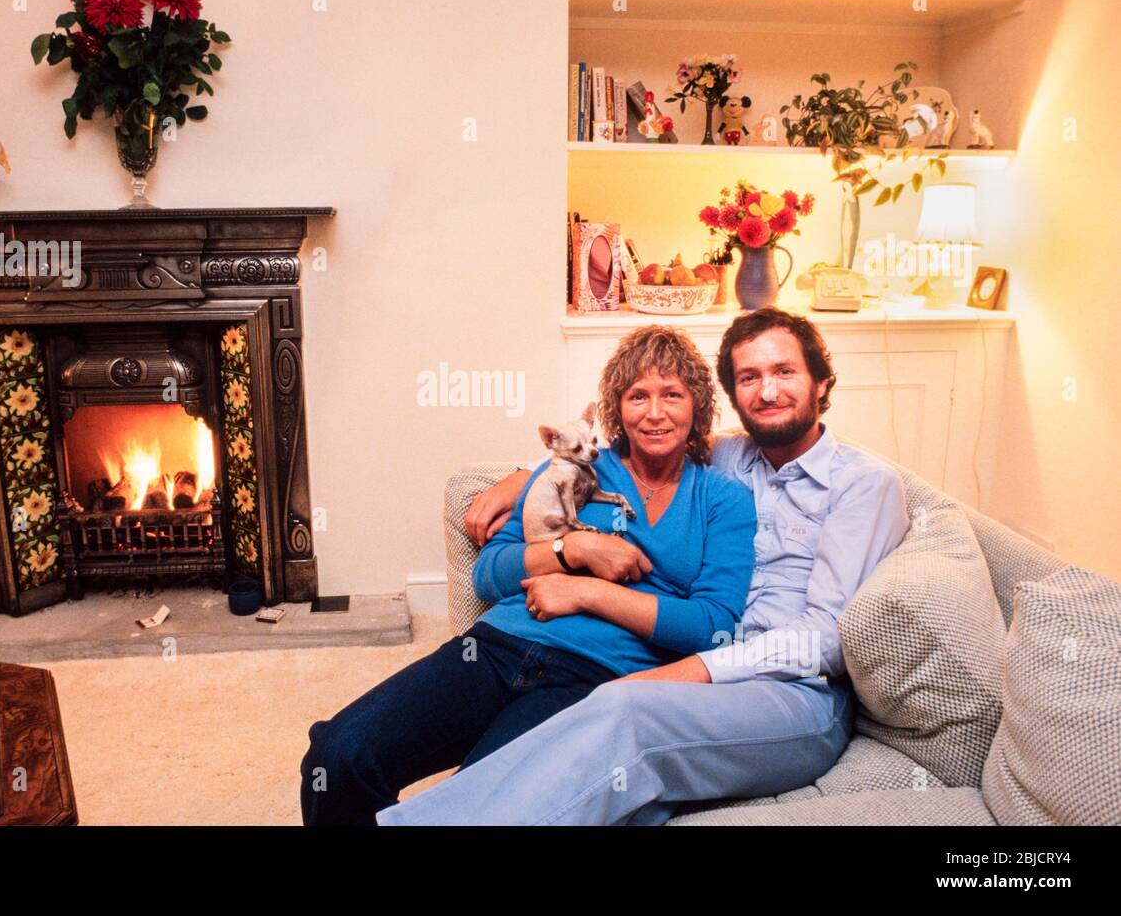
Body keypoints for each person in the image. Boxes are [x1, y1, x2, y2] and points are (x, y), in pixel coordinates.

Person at [377, 307, 910, 825]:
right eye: (750, 377)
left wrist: (685, 671)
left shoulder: (865, 484)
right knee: (605, 787)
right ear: (731, 394)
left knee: (621, 712)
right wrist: (532, 476)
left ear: (821, 381)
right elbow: (638, 442)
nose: (767, 391)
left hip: (794, 690)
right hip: (712, 677)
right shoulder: (731, 456)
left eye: (784, 371)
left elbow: (824, 639)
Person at [300, 326, 756, 825]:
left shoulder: (722, 499)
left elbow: (711, 626)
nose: (654, 412)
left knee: (469, 809)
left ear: (697, 406)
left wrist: (586, 594)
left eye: (672, 394)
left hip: (596, 679)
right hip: (497, 646)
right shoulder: (573, 467)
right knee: (335, 757)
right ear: (617, 408)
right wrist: (573, 547)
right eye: (637, 396)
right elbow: (490, 575)